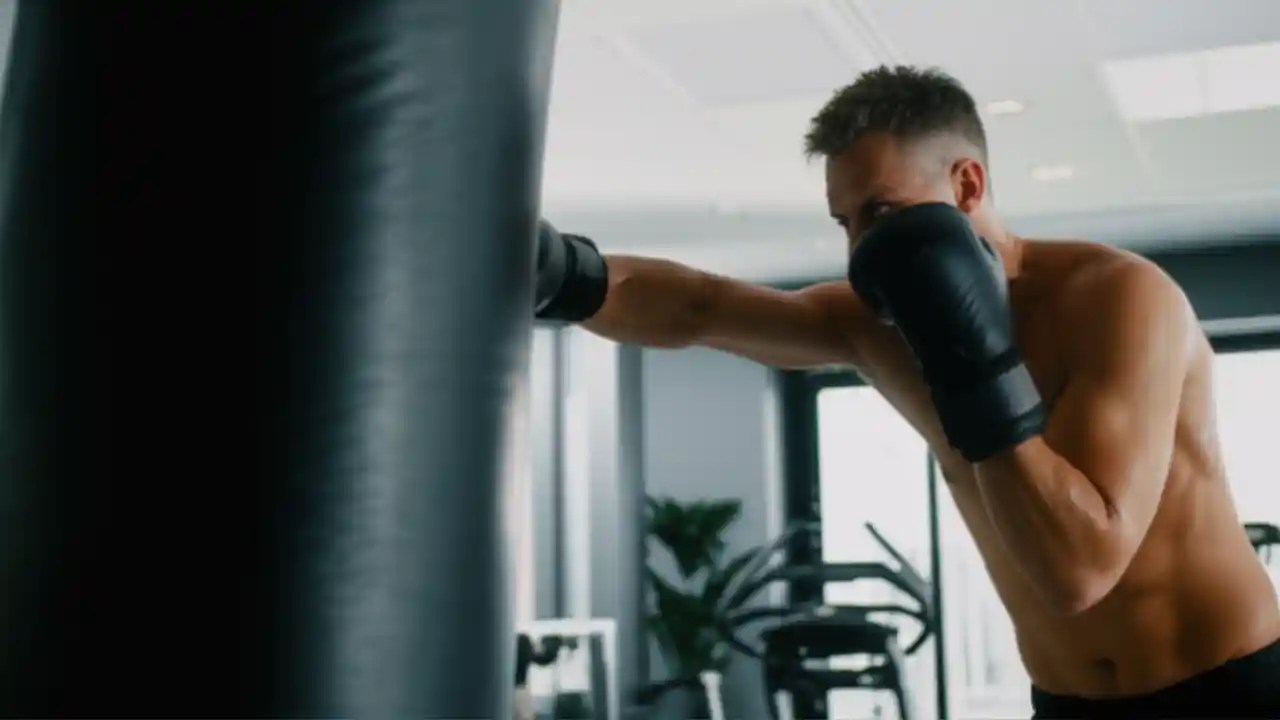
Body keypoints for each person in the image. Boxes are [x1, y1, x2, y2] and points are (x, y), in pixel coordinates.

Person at [534, 66, 1280, 718]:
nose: (862, 251)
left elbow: (1080, 571)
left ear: (967, 184)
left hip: (1229, 688)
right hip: (1063, 701)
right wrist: (564, 277)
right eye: (846, 222)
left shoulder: (1120, 301)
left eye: (882, 214)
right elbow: (703, 307)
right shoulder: (873, 325)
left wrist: (971, 362)